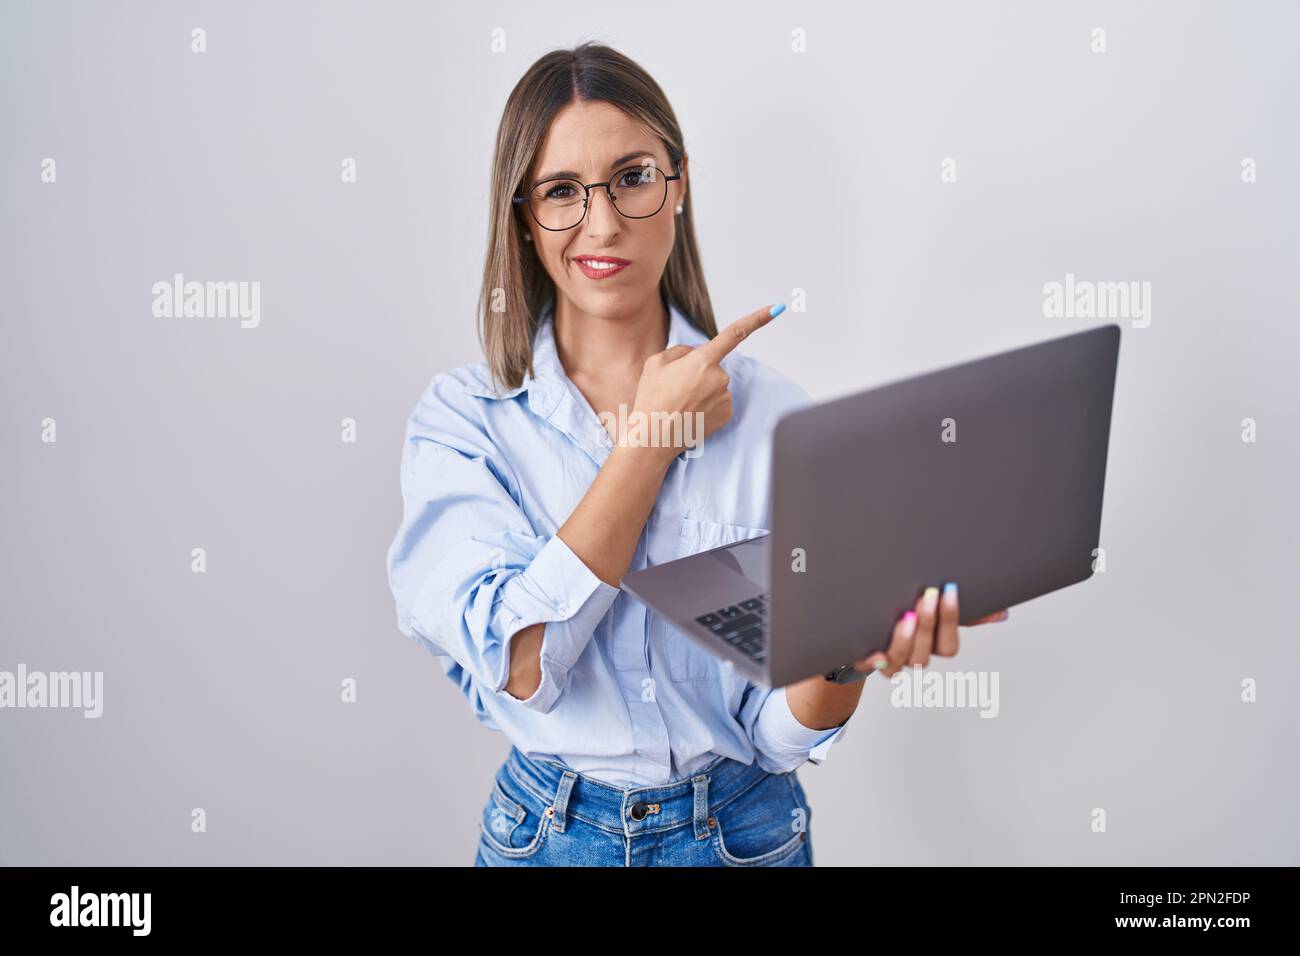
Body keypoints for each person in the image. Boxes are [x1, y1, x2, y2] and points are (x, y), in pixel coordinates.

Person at [385, 42, 1008, 867]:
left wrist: (845, 656)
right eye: (562, 192)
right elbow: (527, 664)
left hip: (744, 834)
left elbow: (776, 738)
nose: (601, 224)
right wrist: (650, 442)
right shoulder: (464, 422)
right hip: (547, 839)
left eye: (633, 176)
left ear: (678, 184)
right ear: (523, 217)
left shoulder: (781, 420)